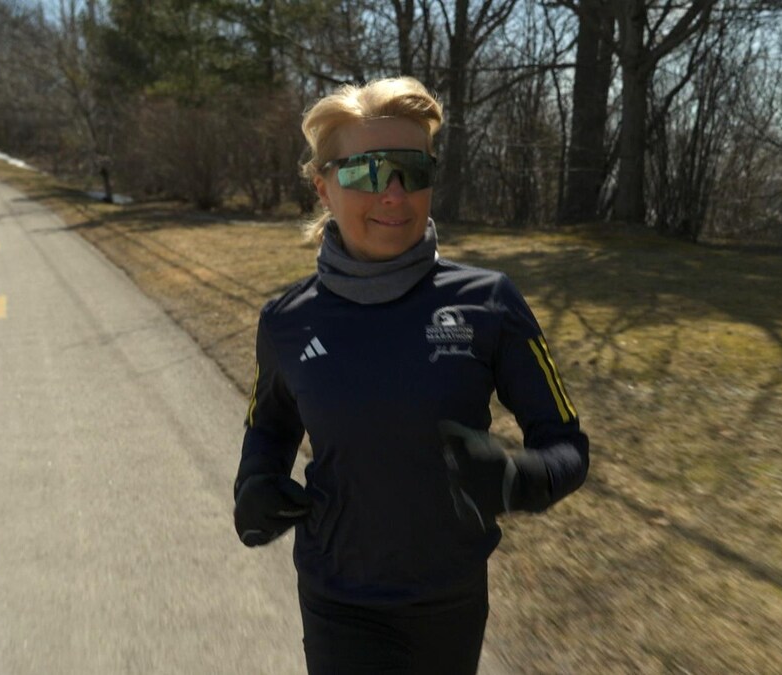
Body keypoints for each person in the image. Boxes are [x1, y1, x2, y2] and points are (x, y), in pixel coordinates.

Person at [233, 76, 589, 675]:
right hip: (335, 595)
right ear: (323, 187)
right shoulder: (287, 321)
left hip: (446, 600)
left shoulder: (490, 302)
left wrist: (518, 480)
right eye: (367, 172)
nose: (394, 195)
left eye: (412, 171)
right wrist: (254, 484)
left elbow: (567, 446)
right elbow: (268, 429)